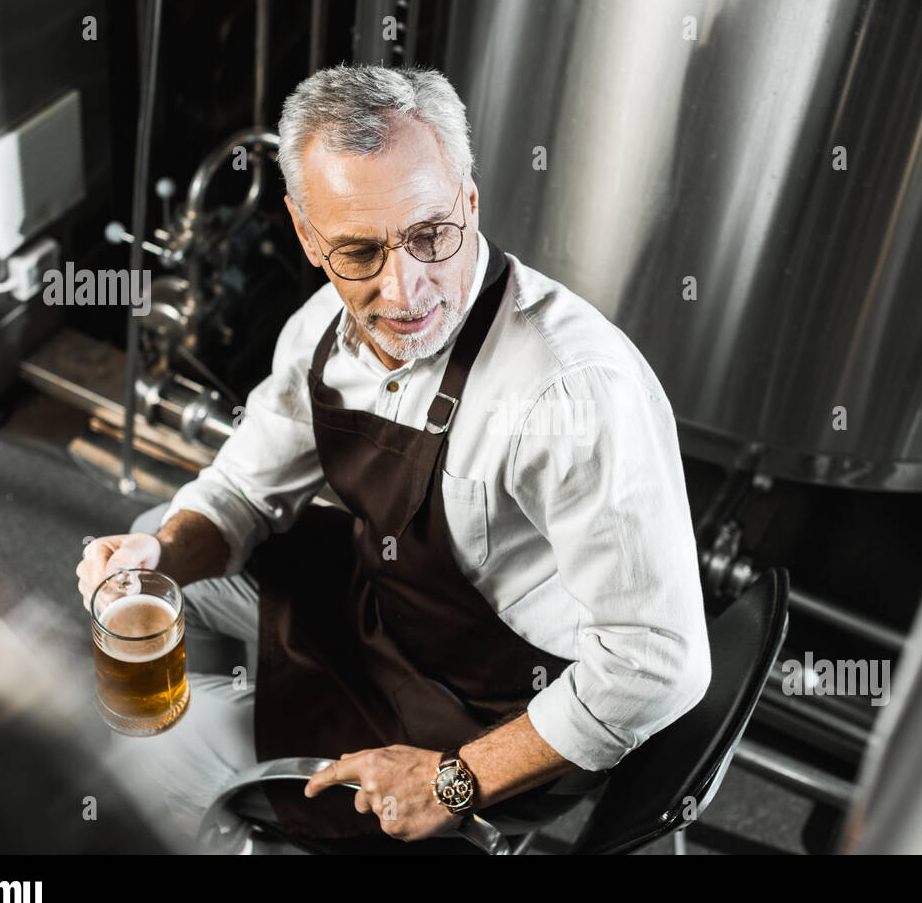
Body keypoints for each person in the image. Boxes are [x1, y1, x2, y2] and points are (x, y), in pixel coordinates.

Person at [76, 64, 710, 852]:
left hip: (495, 705)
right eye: (359, 252)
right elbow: (242, 490)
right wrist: (160, 552)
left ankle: (224, 790)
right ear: (307, 237)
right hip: (393, 614)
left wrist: (453, 778)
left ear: (470, 200)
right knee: (155, 547)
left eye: (430, 236)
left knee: (153, 744)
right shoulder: (322, 328)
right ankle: (251, 792)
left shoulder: (569, 394)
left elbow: (659, 660)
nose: (405, 291)